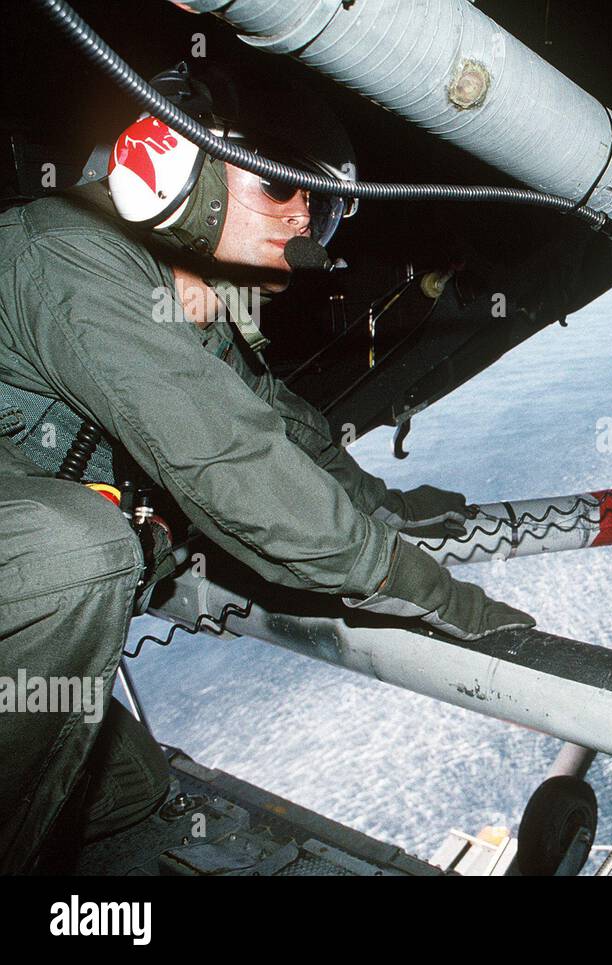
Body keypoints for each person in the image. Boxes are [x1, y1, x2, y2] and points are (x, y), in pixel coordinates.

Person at [0, 62, 534, 873]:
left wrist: (384, 505)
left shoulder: (180, 306)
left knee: (125, 799)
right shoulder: (64, 255)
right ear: (183, 168)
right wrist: (431, 589)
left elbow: (280, 424)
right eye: (290, 193)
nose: (308, 230)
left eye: (321, 208)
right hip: (46, 561)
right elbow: (231, 459)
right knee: (79, 552)